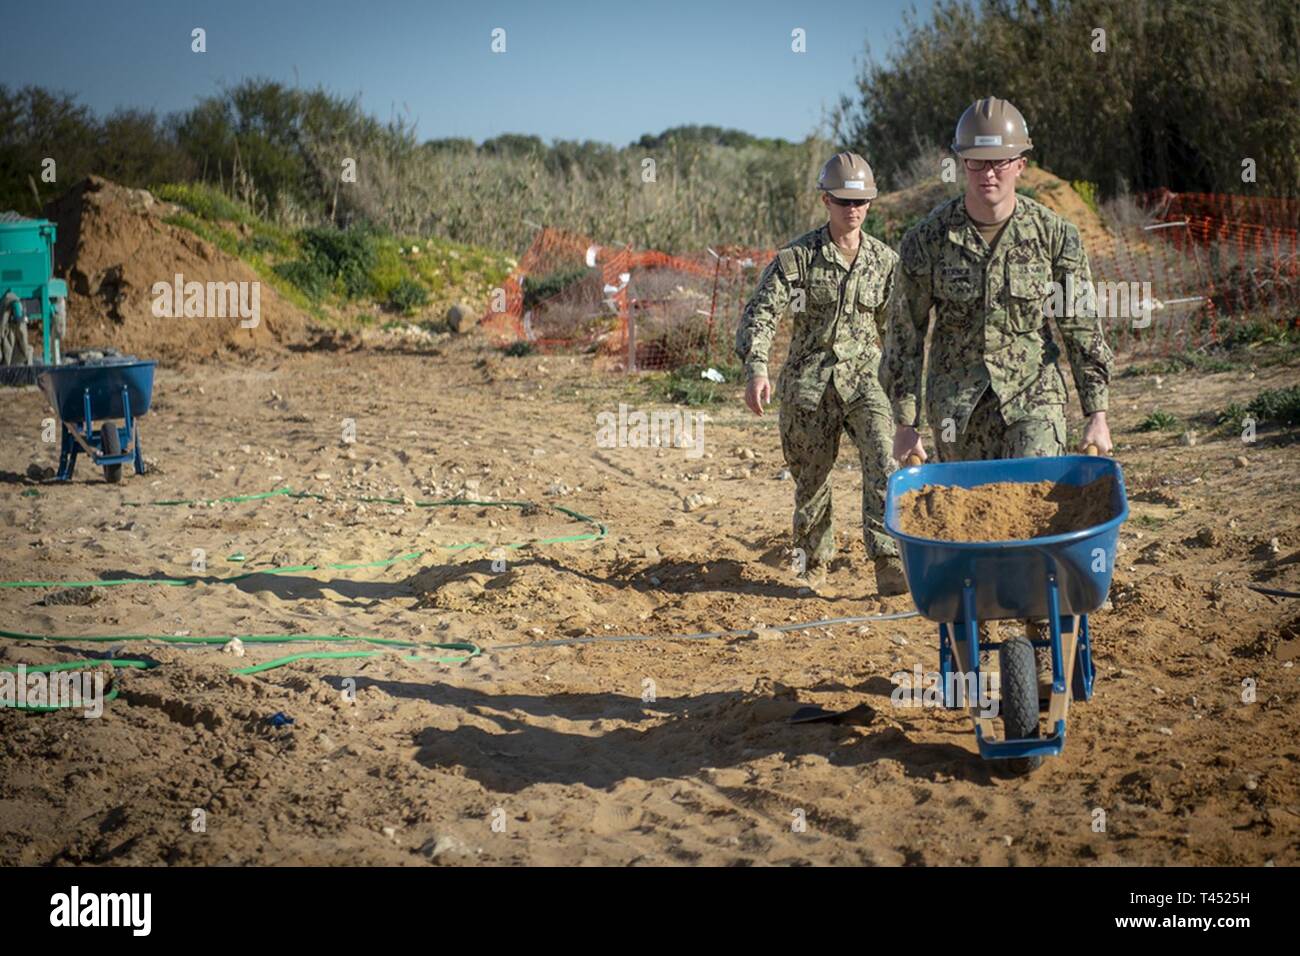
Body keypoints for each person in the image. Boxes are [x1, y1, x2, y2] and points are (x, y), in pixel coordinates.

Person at [882, 96, 1115, 693]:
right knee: (969, 535)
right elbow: (905, 336)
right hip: (957, 408)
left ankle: (1040, 656)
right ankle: (974, 663)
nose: (988, 174)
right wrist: (905, 421)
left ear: (1021, 164)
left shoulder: (1054, 236)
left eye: (1000, 162)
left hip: (1033, 394)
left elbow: (1081, 326)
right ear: (960, 165)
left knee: (1038, 517)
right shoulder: (927, 241)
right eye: (976, 163)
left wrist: (1097, 413)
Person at [735, 151, 907, 597]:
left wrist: (907, 393)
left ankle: (888, 558)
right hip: (809, 385)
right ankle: (813, 561)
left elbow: (900, 331)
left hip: (865, 380)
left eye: (861, 202)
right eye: (843, 201)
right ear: (825, 200)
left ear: (870, 203)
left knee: (884, 457)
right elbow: (761, 314)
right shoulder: (798, 258)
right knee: (811, 477)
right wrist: (757, 370)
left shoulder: (886, 263)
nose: (853, 210)